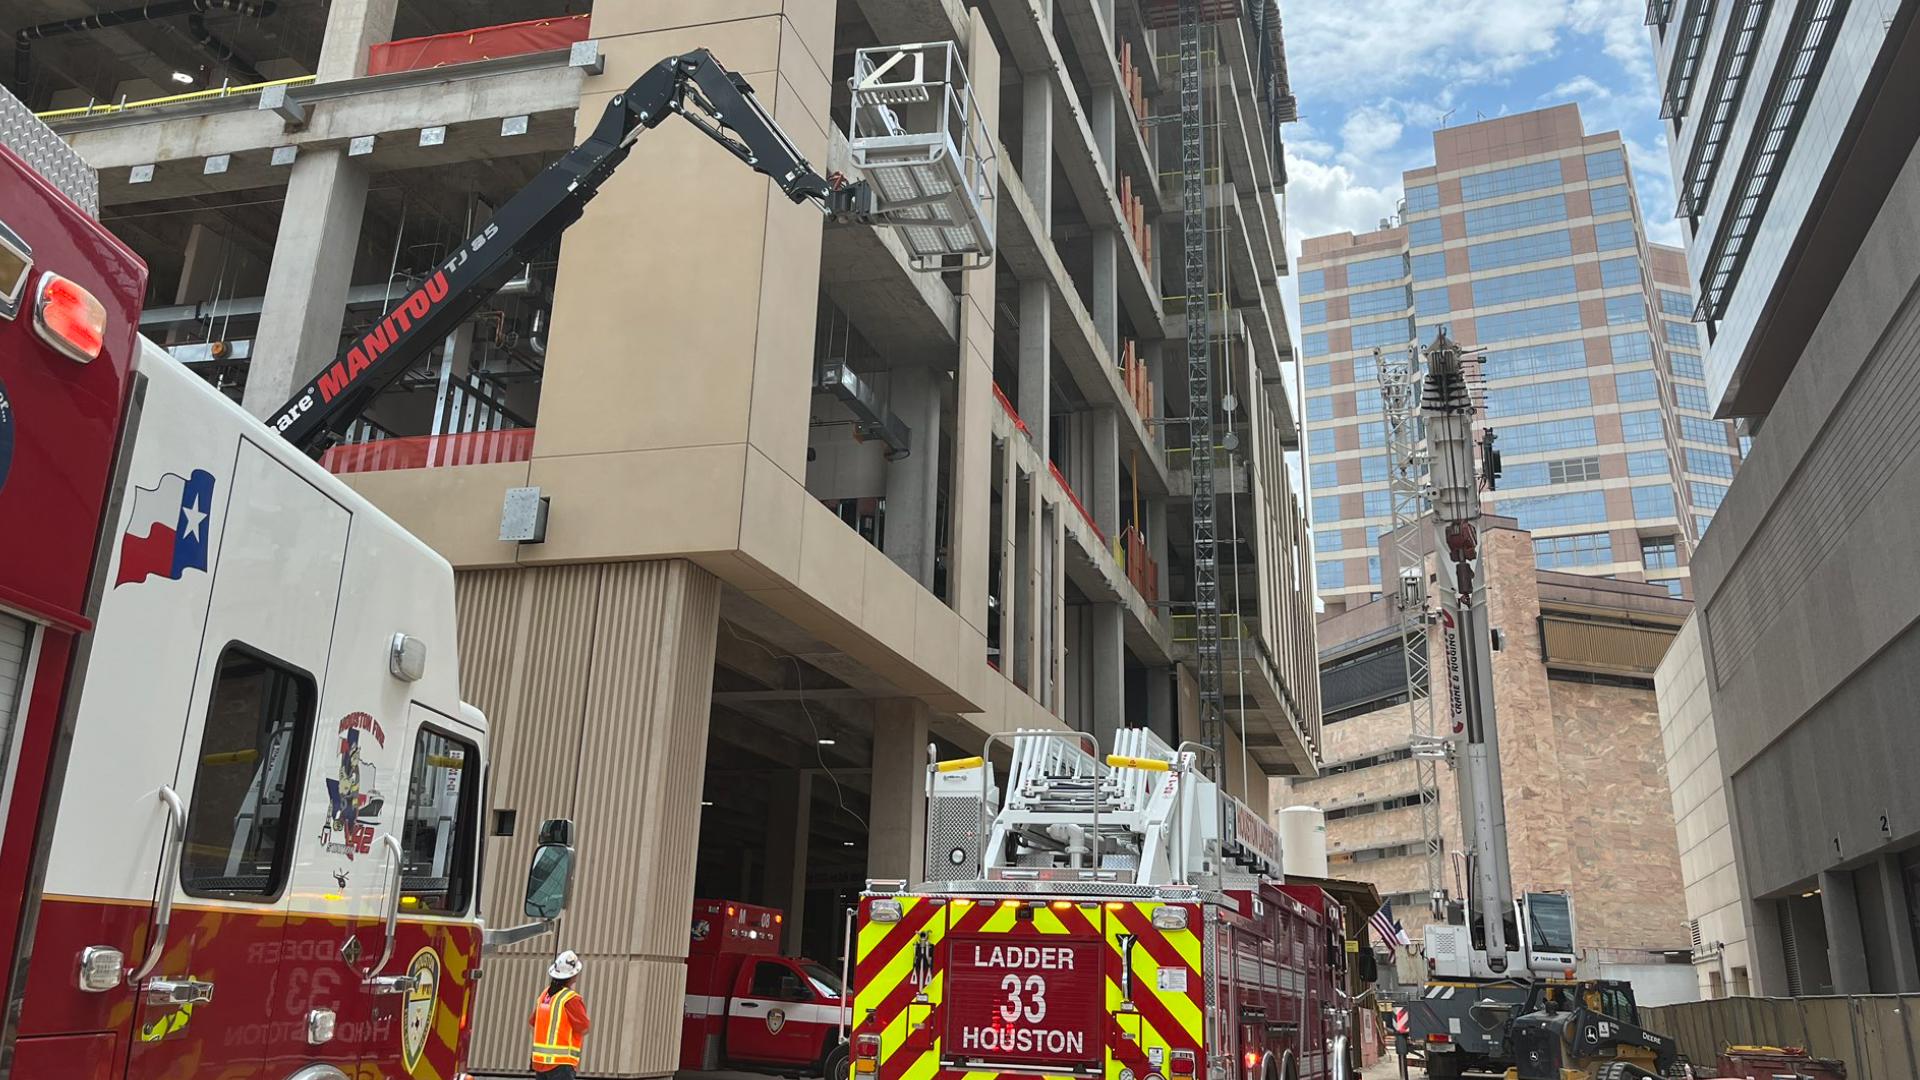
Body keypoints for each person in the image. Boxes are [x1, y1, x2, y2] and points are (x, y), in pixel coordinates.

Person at [530, 950, 591, 1077]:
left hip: (540, 1063)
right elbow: (584, 1028)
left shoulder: (545, 995)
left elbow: (533, 1024)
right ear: (574, 975)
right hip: (560, 1065)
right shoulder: (571, 999)